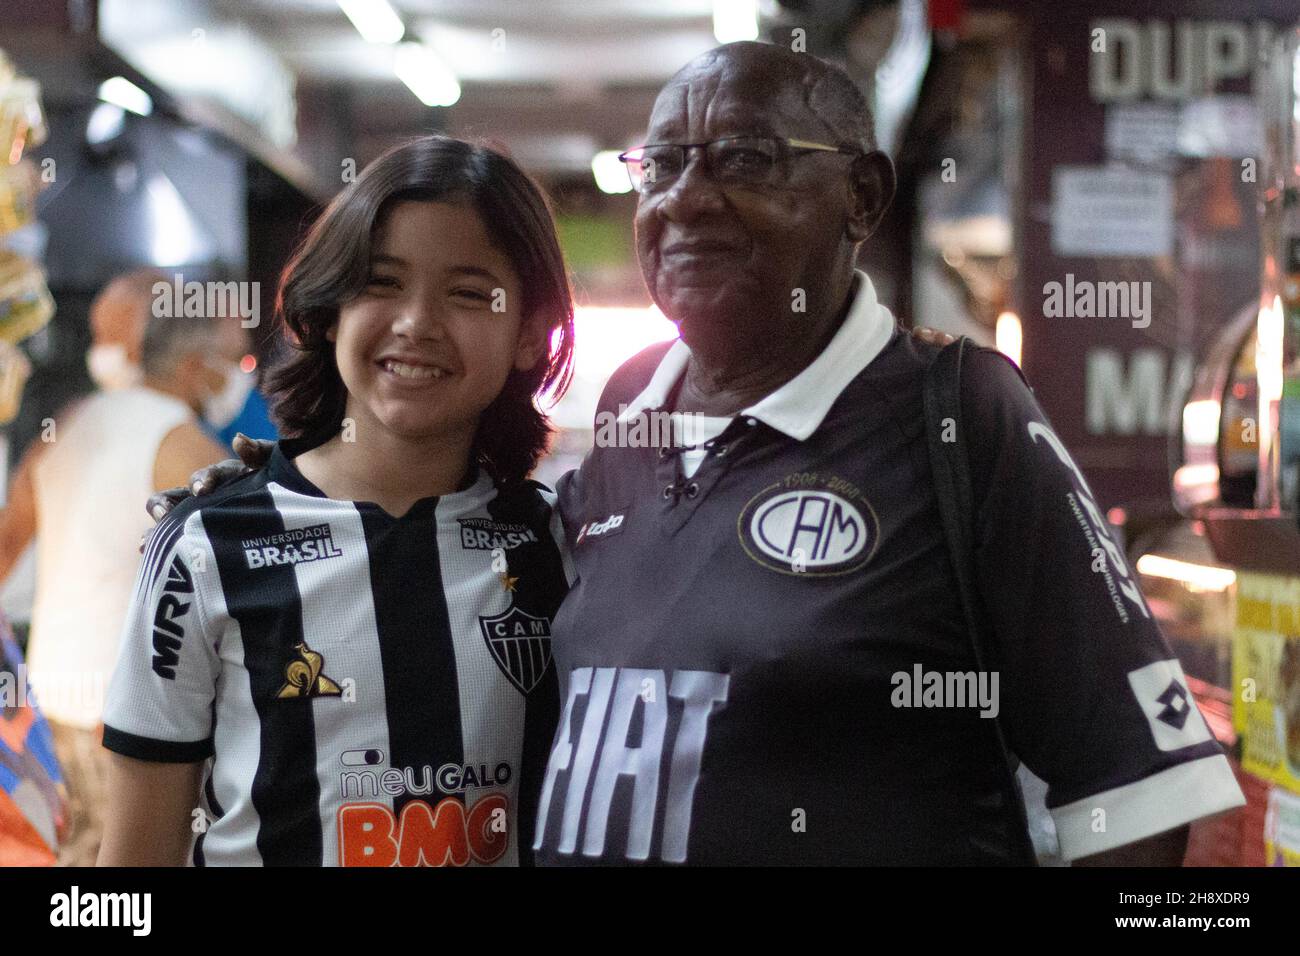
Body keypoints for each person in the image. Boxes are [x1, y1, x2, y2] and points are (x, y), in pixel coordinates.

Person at [158, 42, 1244, 866]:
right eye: (663, 165)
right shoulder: (629, 416)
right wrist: (277, 495)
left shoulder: (957, 415)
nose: (686, 198)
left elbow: (1142, 793)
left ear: (861, 197)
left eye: (745, 160)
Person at [97, 135, 574, 867]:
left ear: (531, 335)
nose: (417, 321)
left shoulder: (561, 550)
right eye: (381, 282)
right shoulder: (206, 548)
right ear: (325, 311)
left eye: (469, 292)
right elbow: (132, 868)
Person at [0, 268, 231, 865]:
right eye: (223, 359)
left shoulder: (69, 424)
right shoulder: (191, 449)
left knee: (75, 862)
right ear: (191, 362)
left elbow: (4, 548)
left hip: (51, 710)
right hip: (129, 719)